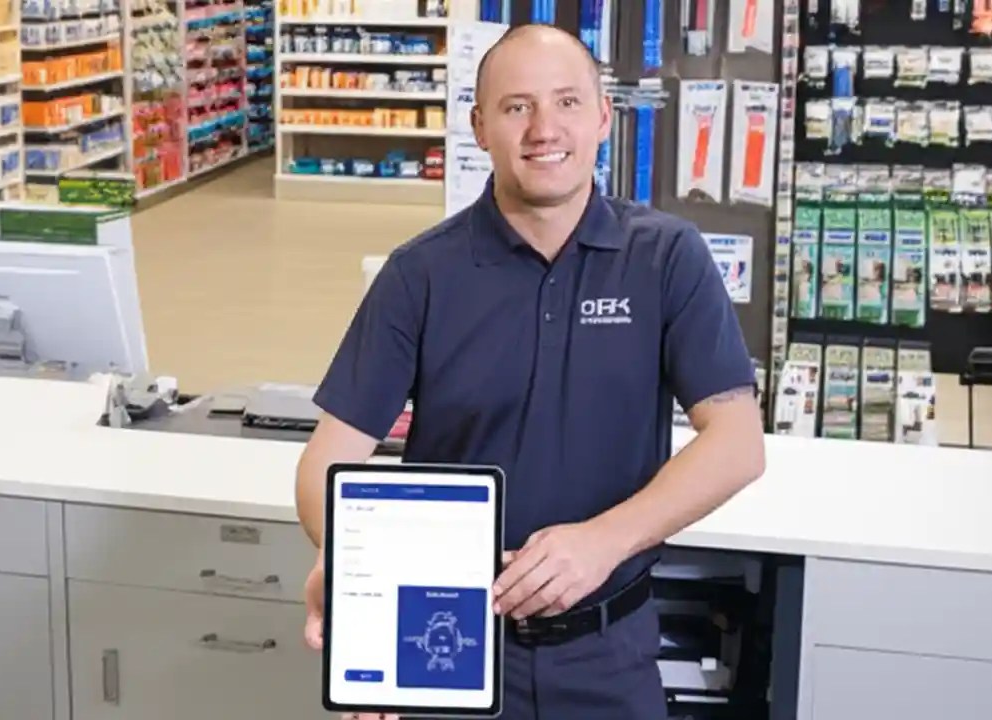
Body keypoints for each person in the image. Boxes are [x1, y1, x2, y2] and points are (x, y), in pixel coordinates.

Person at [292, 23, 766, 720]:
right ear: (480, 127)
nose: (546, 128)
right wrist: (353, 565)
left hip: (609, 651)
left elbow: (737, 443)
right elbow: (326, 458)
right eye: (517, 107)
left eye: (567, 102)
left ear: (605, 116)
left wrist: (602, 542)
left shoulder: (667, 258)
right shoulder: (420, 274)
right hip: (448, 644)